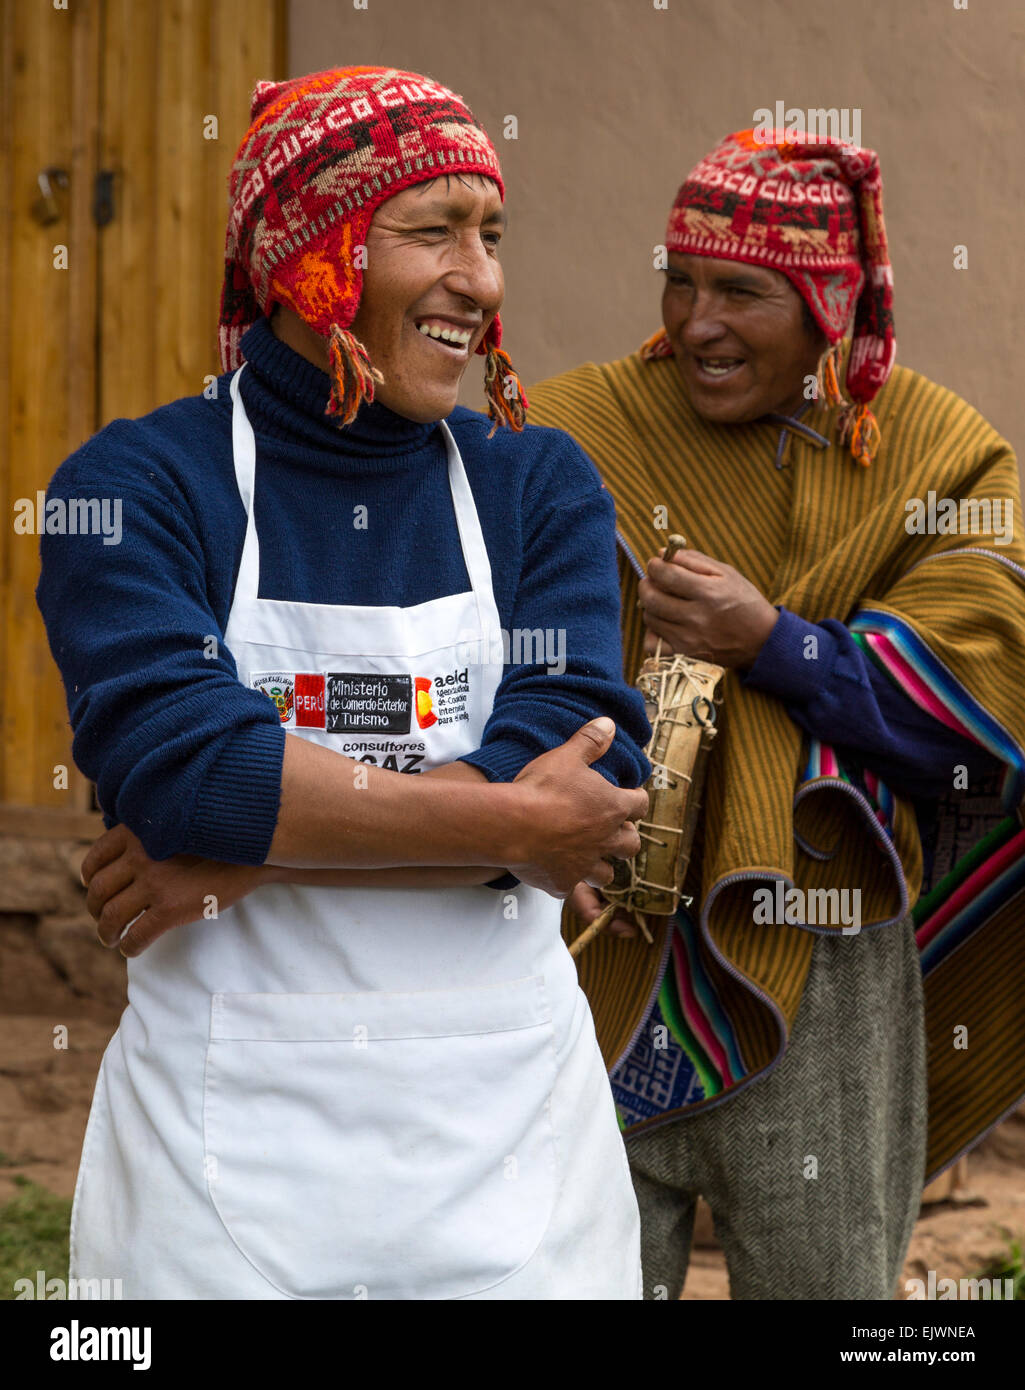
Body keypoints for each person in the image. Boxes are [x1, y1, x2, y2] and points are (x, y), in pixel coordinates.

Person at [36, 66, 653, 1301]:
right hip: (221, 1172)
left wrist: (248, 848)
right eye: (430, 231)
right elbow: (184, 767)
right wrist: (512, 829)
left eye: (490, 236)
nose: (478, 279)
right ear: (309, 257)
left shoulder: (536, 487)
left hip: (511, 1163)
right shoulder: (140, 487)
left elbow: (588, 772)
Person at [525, 128, 1025, 1301]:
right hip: (588, 949)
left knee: (826, 1291)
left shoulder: (932, 455)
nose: (697, 322)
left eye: (741, 292)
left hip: (824, 951)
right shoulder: (566, 434)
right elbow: (483, 652)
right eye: (679, 281)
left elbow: (981, 724)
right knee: (571, 1278)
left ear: (824, 307)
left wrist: (777, 645)